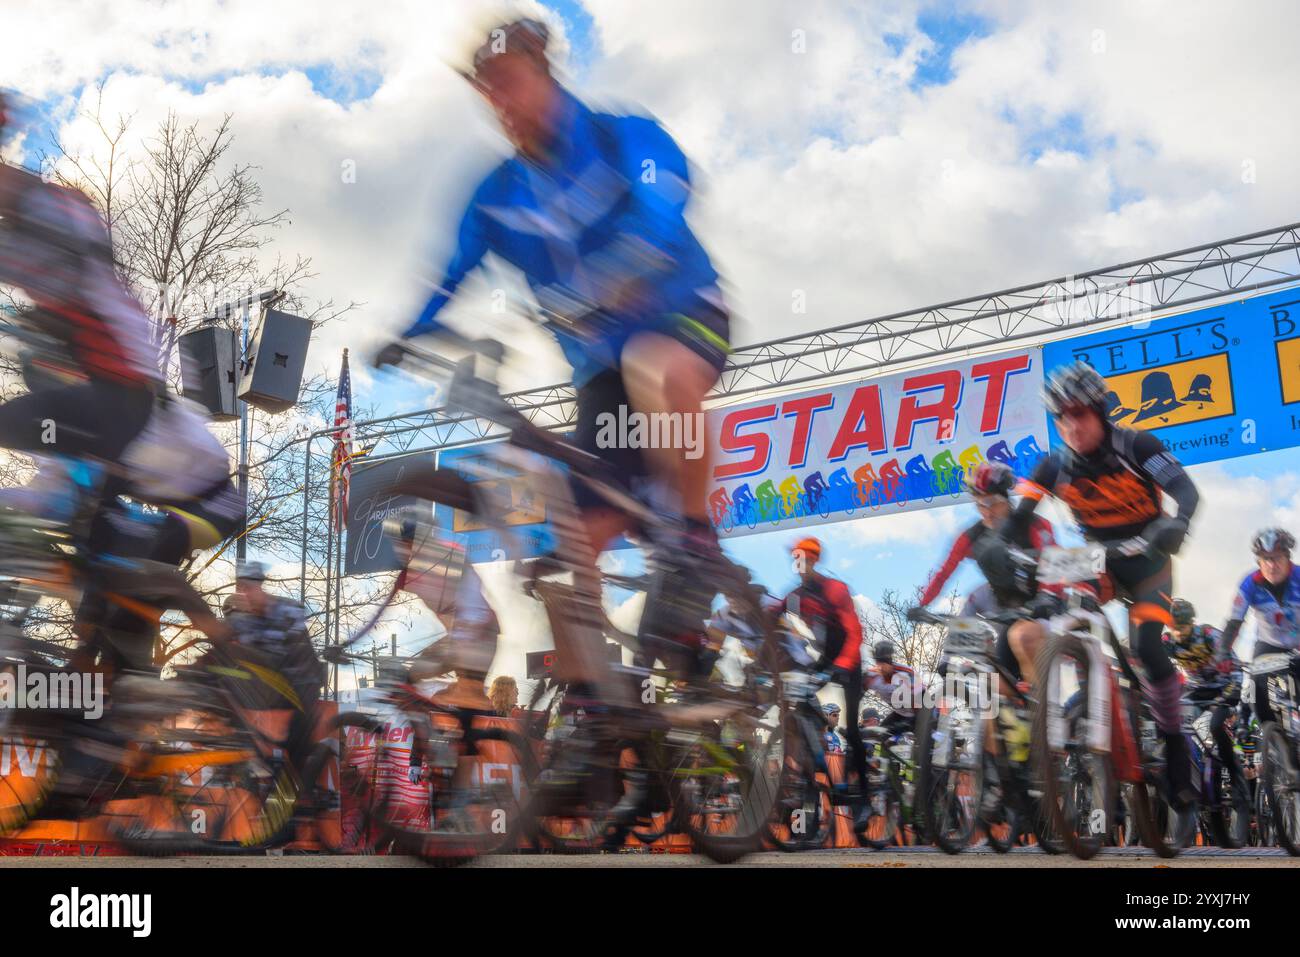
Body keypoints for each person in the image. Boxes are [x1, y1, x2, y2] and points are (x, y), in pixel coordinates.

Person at [376, 16, 731, 660]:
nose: (503, 105)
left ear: (546, 72)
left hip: (681, 316)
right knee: (579, 538)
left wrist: (630, 262)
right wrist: (410, 331)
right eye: (490, 94)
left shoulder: (619, 135)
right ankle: (594, 697)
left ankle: (698, 540)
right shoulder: (497, 194)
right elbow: (453, 272)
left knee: (659, 366)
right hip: (601, 369)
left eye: (511, 83)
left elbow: (666, 190)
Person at [1001, 361, 1200, 808]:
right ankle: (1084, 709)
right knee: (1062, 617)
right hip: (1097, 560)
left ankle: (1173, 752)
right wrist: (1008, 552)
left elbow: (1186, 491)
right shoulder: (1053, 466)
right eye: (1061, 418)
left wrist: (1178, 523)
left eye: (1079, 415)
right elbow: (1019, 519)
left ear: (1099, 412)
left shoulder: (1137, 444)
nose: (1070, 425)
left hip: (1148, 557)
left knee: (1148, 648)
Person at [913, 461, 1056, 685]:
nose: (986, 511)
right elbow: (944, 572)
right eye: (979, 504)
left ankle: (1043, 708)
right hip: (1009, 612)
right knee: (995, 687)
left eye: (992, 503)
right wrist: (922, 604)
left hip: (1044, 607)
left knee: (1029, 667)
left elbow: (1053, 565)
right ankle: (949, 658)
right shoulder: (972, 535)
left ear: (1006, 499)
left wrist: (1047, 597)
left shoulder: (1034, 525)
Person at [773, 536, 871, 829]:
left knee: (852, 729)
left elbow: (856, 634)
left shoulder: (836, 590)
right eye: (796, 559)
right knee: (798, 707)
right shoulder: (794, 596)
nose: (800, 565)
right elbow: (770, 617)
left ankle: (864, 798)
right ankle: (808, 778)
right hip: (824, 660)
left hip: (849, 662)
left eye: (805, 559)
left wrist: (842, 666)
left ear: (815, 561)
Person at [1164, 598, 1247, 811]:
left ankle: (1237, 779)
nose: (1179, 632)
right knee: (1173, 726)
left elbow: (1235, 664)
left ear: (1192, 622)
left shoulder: (1210, 635)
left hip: (1224, 687)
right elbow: (1152, 666)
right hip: (1196, 689)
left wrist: (1234, 691)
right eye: (1174, 628)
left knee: (1215, 726)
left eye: (1182, 627)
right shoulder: (1167, 641)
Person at [1220, 529, 1300, 729]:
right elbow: (1234, 622)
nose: (1272, 565)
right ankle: (1273, 740)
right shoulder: (1250, 584)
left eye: (1277, 558)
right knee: (1255, 690)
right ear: (1259, 561)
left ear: (1288, 558)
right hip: (1268, 644)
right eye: (1266, 559)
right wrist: (1223, 653)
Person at [863, 641, 917, 738]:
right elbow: (856, 696)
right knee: (880, 736)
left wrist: (909, 723)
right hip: (899, 713)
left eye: (885, 661)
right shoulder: (872, 676)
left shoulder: (906, 674)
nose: (881, 666)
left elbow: (921, 703)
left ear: (891, 660)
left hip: (917, 714)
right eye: (878, 662)